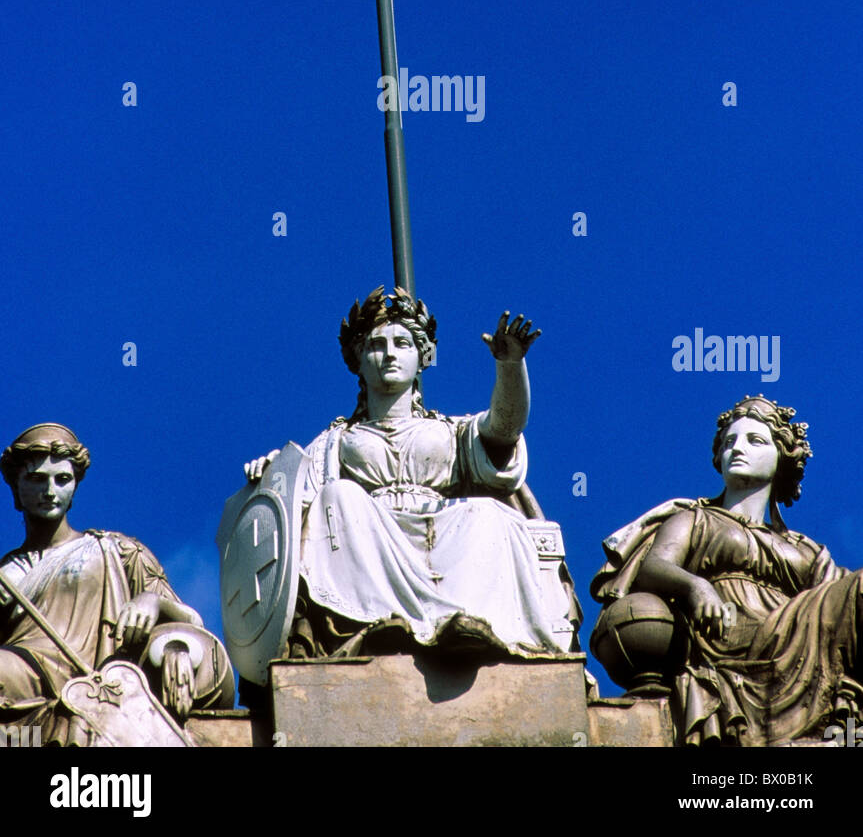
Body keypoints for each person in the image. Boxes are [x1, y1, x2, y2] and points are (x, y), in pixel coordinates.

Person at [244, 288, 579, 659]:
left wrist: (510, 366)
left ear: (422, 358)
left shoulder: (452, 431)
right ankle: (376, 621)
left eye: (402, 343)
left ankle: (465, 623)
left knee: (489, 514)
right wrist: (275, 473)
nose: (389, 354)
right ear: (357, 360)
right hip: (367, 537)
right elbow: (296, 495)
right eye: (376, 345)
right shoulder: (335, 441)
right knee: (338, 497)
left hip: (441, 528)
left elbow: (504, 428)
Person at [591, 396, 863, 746]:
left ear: (782, 456)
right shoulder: (694, 518)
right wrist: (696, 586)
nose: (738, 449)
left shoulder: (807, 549)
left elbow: (835, 610)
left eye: (755, 440)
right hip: (731, 635)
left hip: (801, 642)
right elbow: (653, 567)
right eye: (730, 441)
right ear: (718, 457)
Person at [0, 423, 233, 744]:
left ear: (75, 487)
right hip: (26, 675)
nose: (50, 491)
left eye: (62, 479)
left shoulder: (117, 550)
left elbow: (192, 621)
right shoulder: (5, 572)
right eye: (36, 479)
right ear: (16, 489)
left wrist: (155, 604)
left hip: (107, 674)